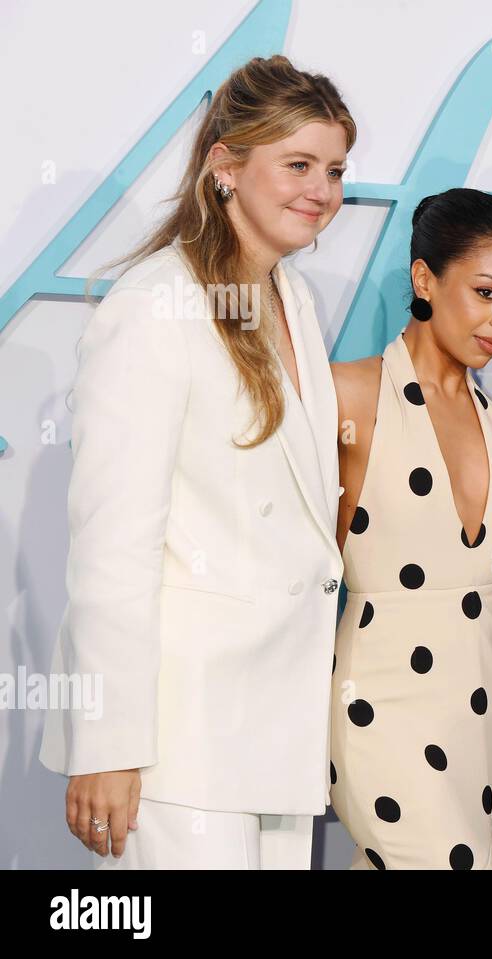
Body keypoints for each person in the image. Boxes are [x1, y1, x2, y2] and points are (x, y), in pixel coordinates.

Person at [40, 55, 355, 868]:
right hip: (177, 741)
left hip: (277, 733)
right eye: (297, 165)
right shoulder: (153, 306)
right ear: (224, 165)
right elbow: (113, 546)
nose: (320, 189)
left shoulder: (298, 302)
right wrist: (107, 741)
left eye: (334, 169)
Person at [328, 189, 492, 870]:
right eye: (486, 291)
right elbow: (299, 568)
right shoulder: (350, 396)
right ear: (425, 279)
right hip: (383, 704)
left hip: (484, 711)